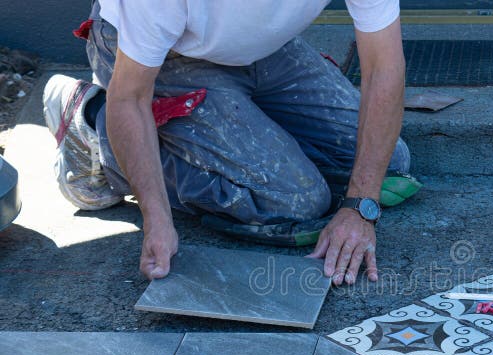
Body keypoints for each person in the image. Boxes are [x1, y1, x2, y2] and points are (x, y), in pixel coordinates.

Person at [43, 0, 421, 286]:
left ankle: (238, 135)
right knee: (296, 200)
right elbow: (131, 98)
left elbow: (383, 67)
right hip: (162, 58)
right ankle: (92, 127)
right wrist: (156, 219)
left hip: (258, 49)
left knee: (388, 161)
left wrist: (359, 206)